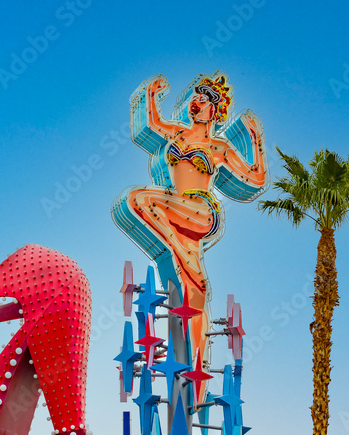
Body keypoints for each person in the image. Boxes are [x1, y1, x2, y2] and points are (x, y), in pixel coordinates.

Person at [112, 72, 268, 381]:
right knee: (194, 293)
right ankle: (195, 378)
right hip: (175, 212)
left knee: (141, 199)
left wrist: (254, 137)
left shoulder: (219, 148)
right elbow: (151, 125)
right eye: (196, 96)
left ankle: (178, 253)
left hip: (201, 212)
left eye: (205, 99)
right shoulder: (177, 133)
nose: (197, 101)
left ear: (216, 110)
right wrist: (150, 94)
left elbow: (256, 177)